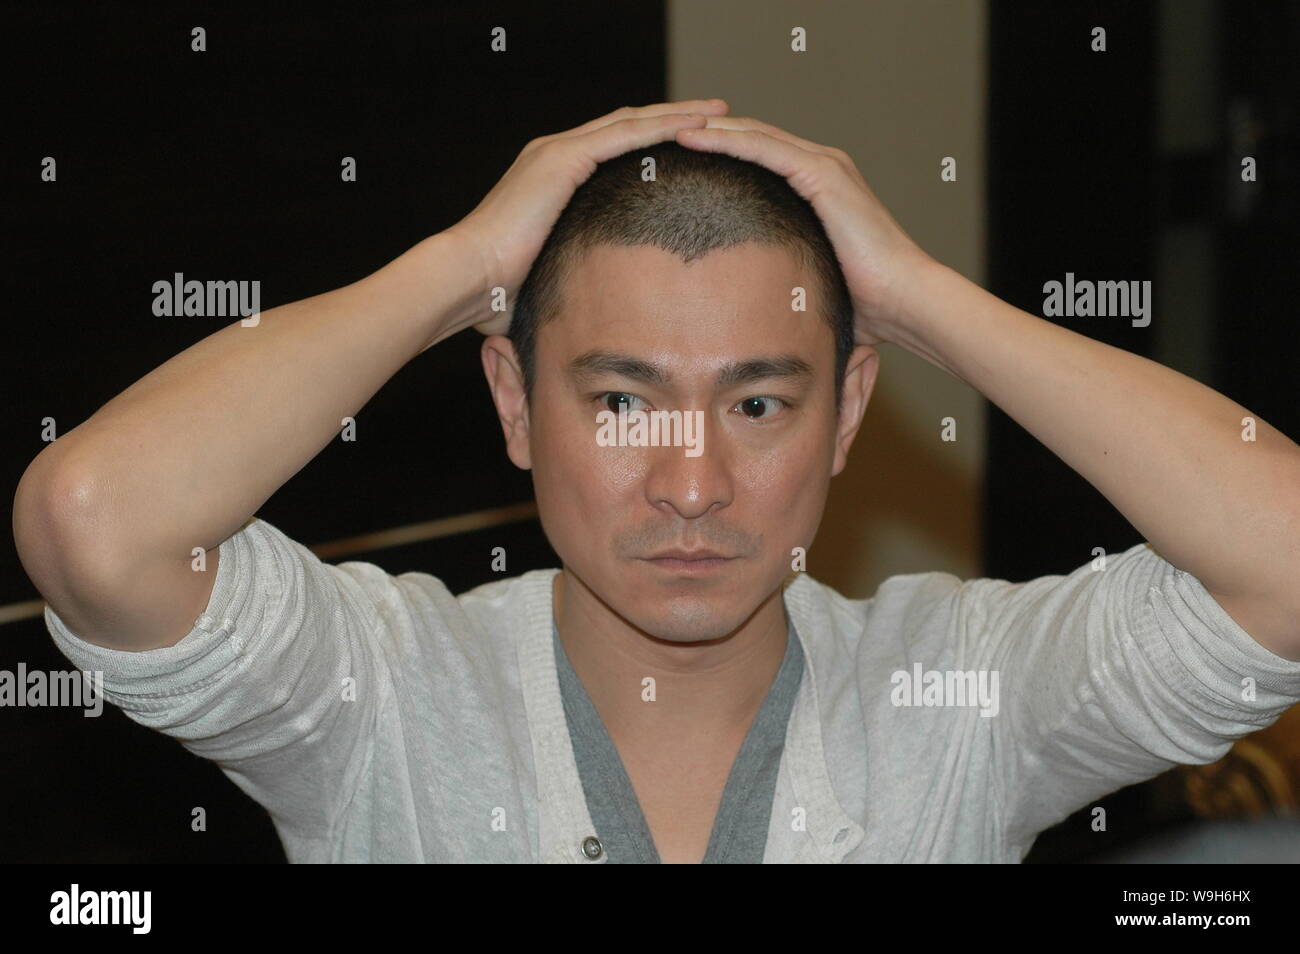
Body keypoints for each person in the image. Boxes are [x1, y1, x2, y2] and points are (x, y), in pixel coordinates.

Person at [14, 99, 1300, 864]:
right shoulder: (382, 692)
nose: (693, 484)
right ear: (516, 405)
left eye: (758, 402)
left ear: (847, 411)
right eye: (622, 400)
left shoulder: (961, 695)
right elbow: (95, 521)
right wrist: (465, 267)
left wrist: (917, 300)